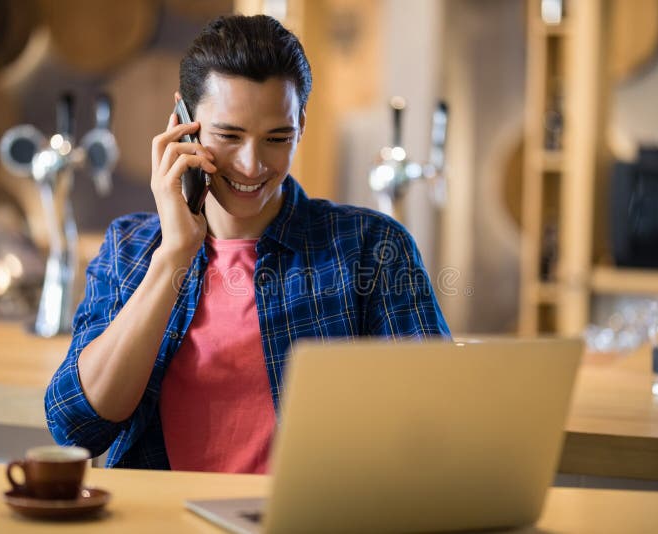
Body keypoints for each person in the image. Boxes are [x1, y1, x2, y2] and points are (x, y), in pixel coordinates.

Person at [45, 14, 451, 472]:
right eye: (228, 135)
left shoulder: (371, 248)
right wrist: (174, 254)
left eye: (277, 138)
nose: (251, 164)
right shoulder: (129, 248)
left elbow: (436, 421)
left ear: (301, 123)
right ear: (184, 122)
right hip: (161, 509)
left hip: (307, 509)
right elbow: (76, 427)